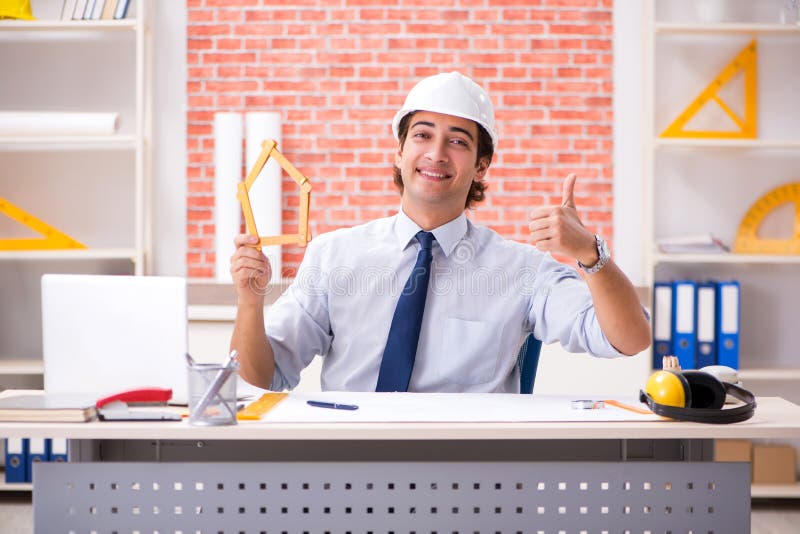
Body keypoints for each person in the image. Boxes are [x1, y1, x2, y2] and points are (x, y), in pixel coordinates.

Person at [229, 71, 651, 393]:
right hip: (349, 470)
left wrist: (591, 254)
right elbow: (262, 377)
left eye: (458, 142)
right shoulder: (333, 256)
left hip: (471, 480)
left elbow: (628, 340)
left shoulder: (522, 269)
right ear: (399, 153)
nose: (435, 153)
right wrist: (250, 302)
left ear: (481, 166)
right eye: (422, 135)